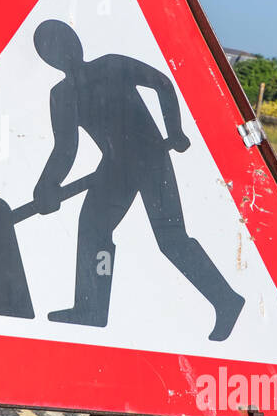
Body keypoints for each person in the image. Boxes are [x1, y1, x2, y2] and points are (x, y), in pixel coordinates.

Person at [31, 20, 245, 340]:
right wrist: (46, 184)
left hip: (151, 159)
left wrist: (173, 130)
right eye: (51, 48)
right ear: (47, 58)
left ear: (76, 42)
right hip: (114, 168)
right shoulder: (62, 94)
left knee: (171, 238)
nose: (62, 50)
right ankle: (91, 308)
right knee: (92, 229)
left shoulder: (112, 65)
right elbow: (65, 148)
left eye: (63, 41)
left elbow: (161, 83)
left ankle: (227, 300)